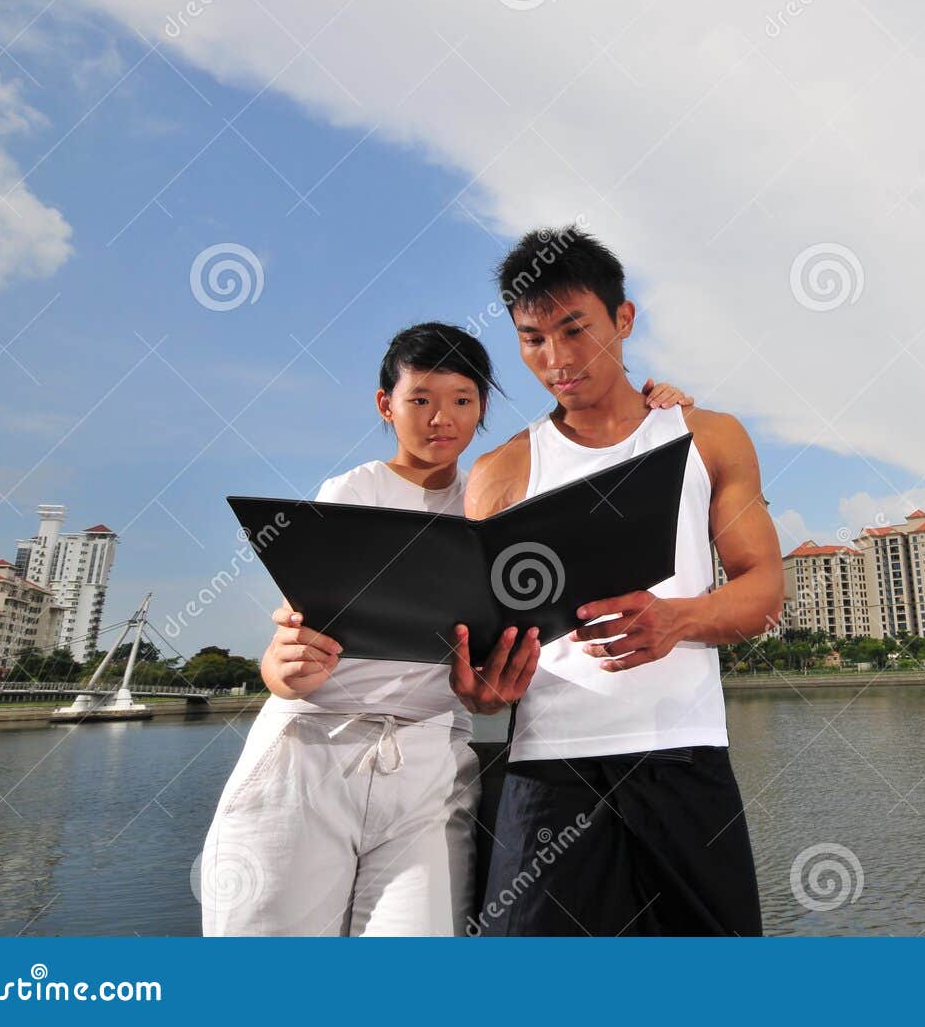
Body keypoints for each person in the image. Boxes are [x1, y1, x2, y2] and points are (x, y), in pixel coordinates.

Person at [199, 321, 691, 936]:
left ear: (483, 407)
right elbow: (289, 641)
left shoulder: (492, 498)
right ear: (386, 405)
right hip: (313, 749)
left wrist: (652, 409)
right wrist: (281, 672)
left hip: (430, 761)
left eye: (462, 400)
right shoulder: (352, 491)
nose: (443, 419)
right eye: (421, 400)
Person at [456, 228, 784, 936]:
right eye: (533, 338)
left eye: (575, 329)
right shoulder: (499, 472)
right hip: (549, 766)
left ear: (623, 319)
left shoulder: (708, 437)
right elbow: (474, 639)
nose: (557, 359)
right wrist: (481, 685)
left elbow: (764, 590)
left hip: (684, 757)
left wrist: (678, 619)